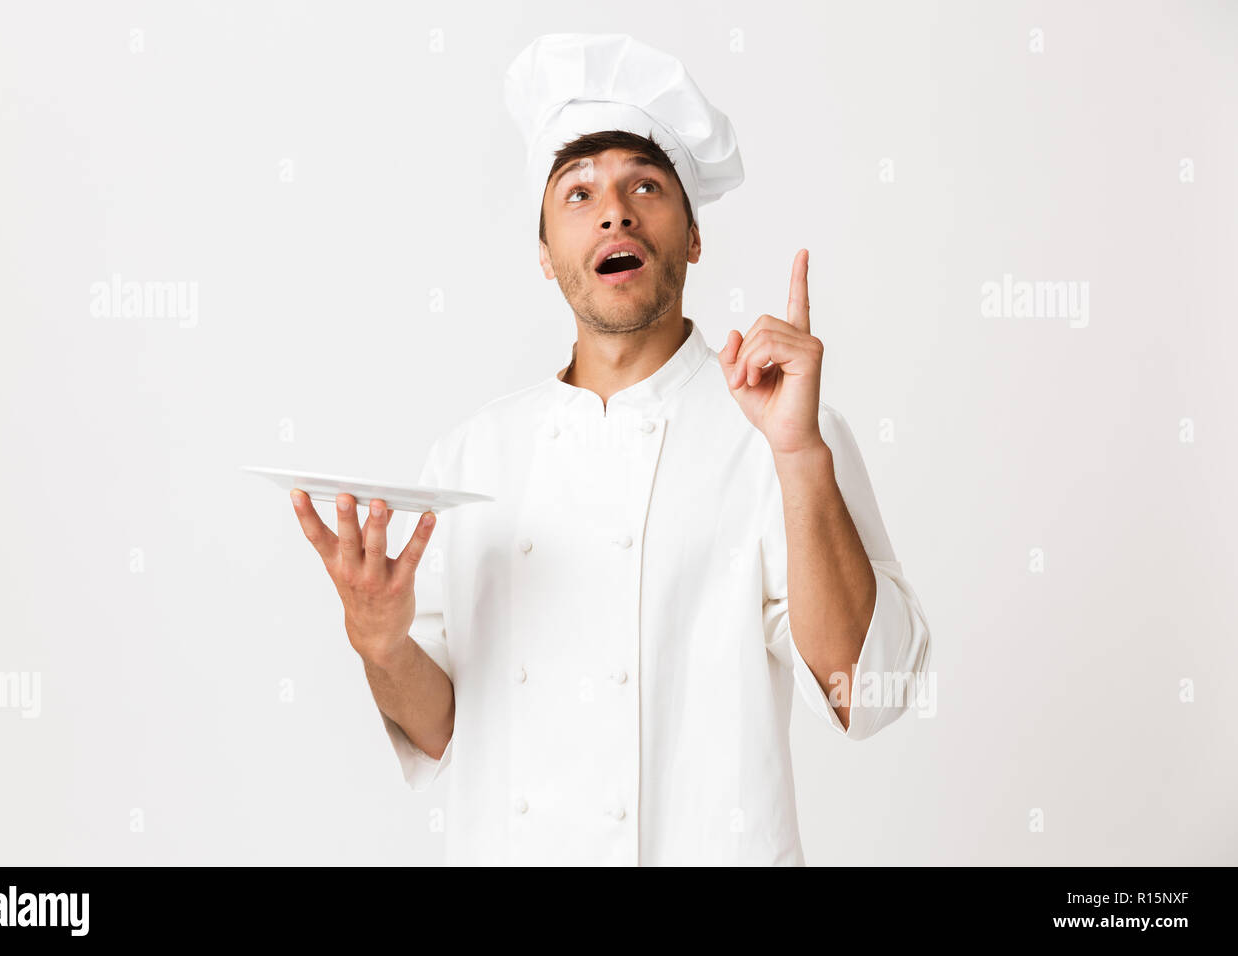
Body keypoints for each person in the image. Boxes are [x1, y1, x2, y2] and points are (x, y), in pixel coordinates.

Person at [288, 33, 932, 865]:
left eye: (646, 185)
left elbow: (867, 697)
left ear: (693, 237)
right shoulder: (474, 455)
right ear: (546, 256)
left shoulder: (780, 430)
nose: (615, 210)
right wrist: (378, 640)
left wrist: (802, 458)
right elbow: (442, 728)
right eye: (579, 191)